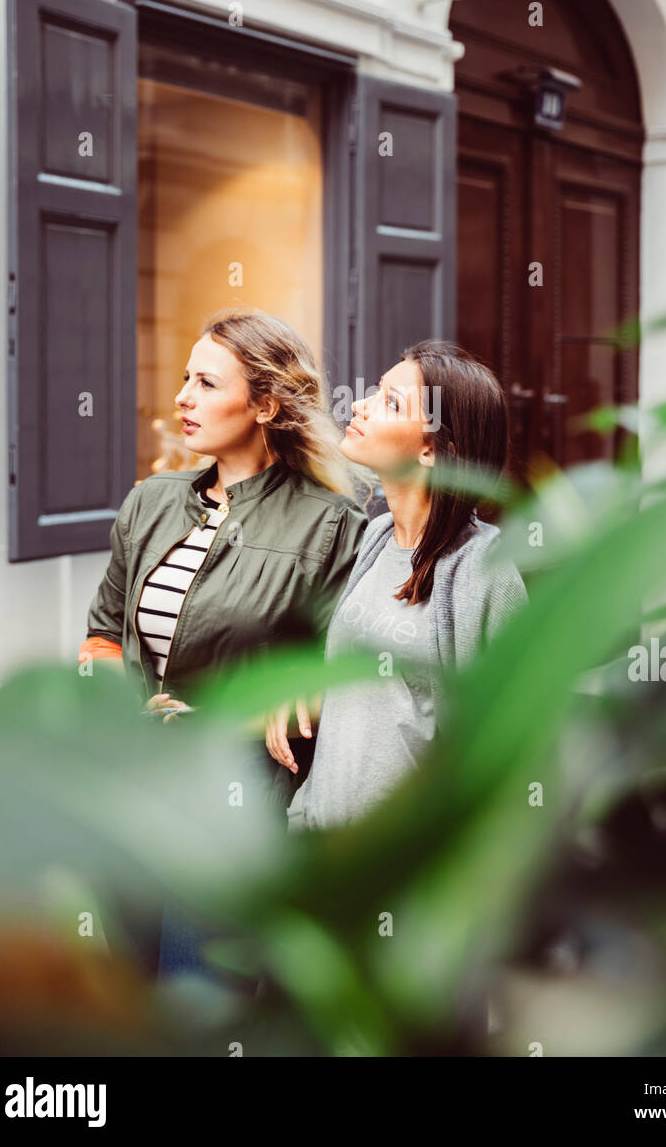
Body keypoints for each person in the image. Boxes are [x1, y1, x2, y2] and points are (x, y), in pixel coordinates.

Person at [77, 307, 367, 976]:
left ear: (264, 403)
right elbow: (102, 631)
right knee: (123, 986)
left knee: (200, 986)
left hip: (238, 802)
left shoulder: (331, 523)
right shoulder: (150, 501)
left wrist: (298, 695)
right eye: (185, 378)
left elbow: (350, 664)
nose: (182, 396)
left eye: (207, 383)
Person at [267, 340, 528, 833]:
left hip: (402, 873)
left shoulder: (483, 568)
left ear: (432, 450)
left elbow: (509, 751)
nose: (359, 406)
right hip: (324, 847)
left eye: (390, 402)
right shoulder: (377, 535)